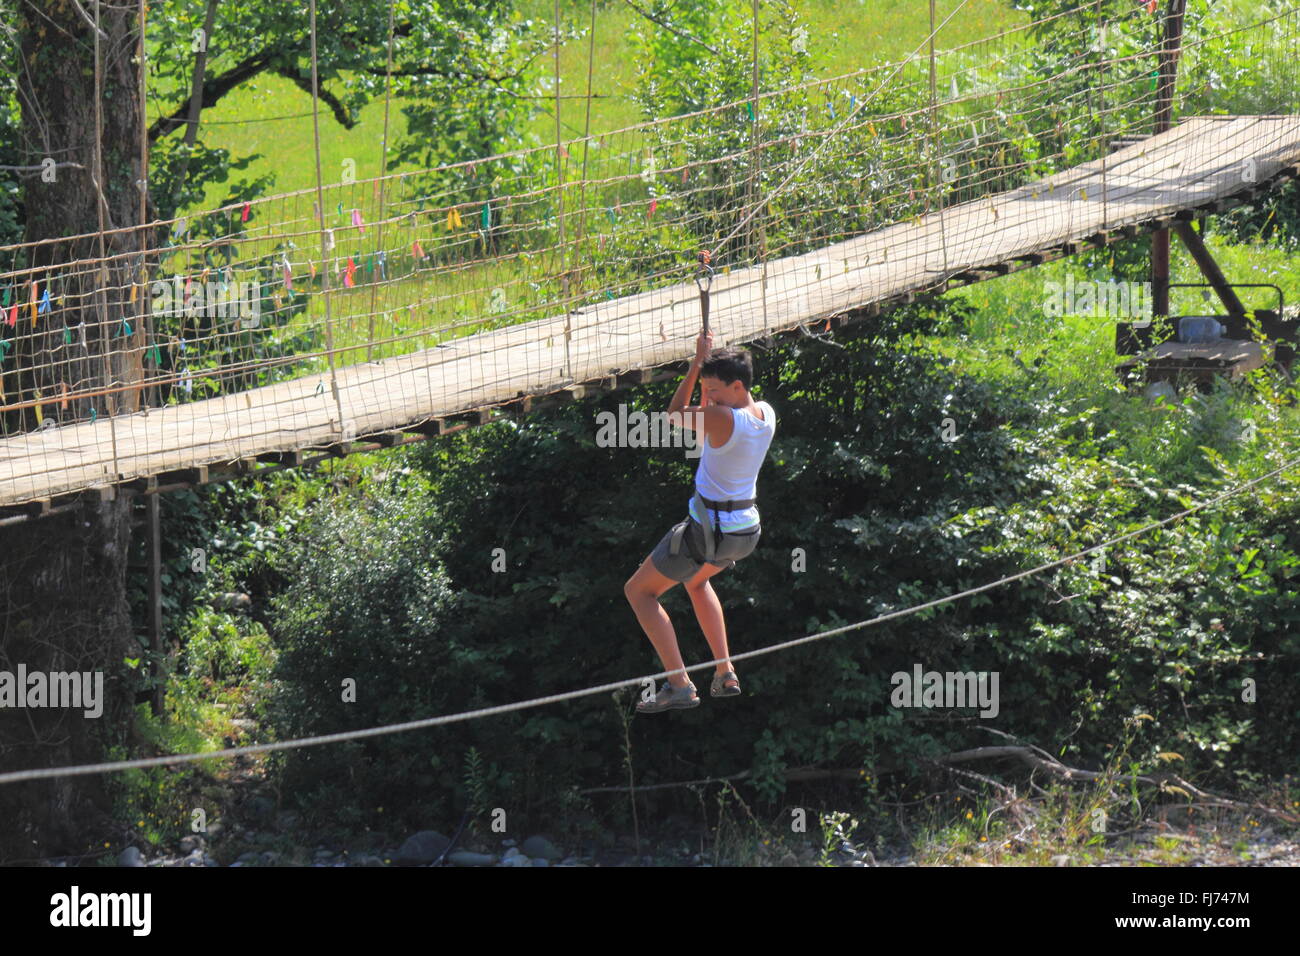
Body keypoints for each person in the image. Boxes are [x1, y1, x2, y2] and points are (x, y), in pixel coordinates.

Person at [623, 330, 777, 714]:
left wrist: (695, 364)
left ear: (737, 386)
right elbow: (711, 409)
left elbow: (674, 414)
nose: (709, 397)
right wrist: (709, 369)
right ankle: (725, 671)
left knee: (639, 592)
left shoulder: (723, 417)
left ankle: (679, 683)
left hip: (710, 533)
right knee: (696, 581)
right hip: (745, 532)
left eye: (714, 390)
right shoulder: (766, 414)